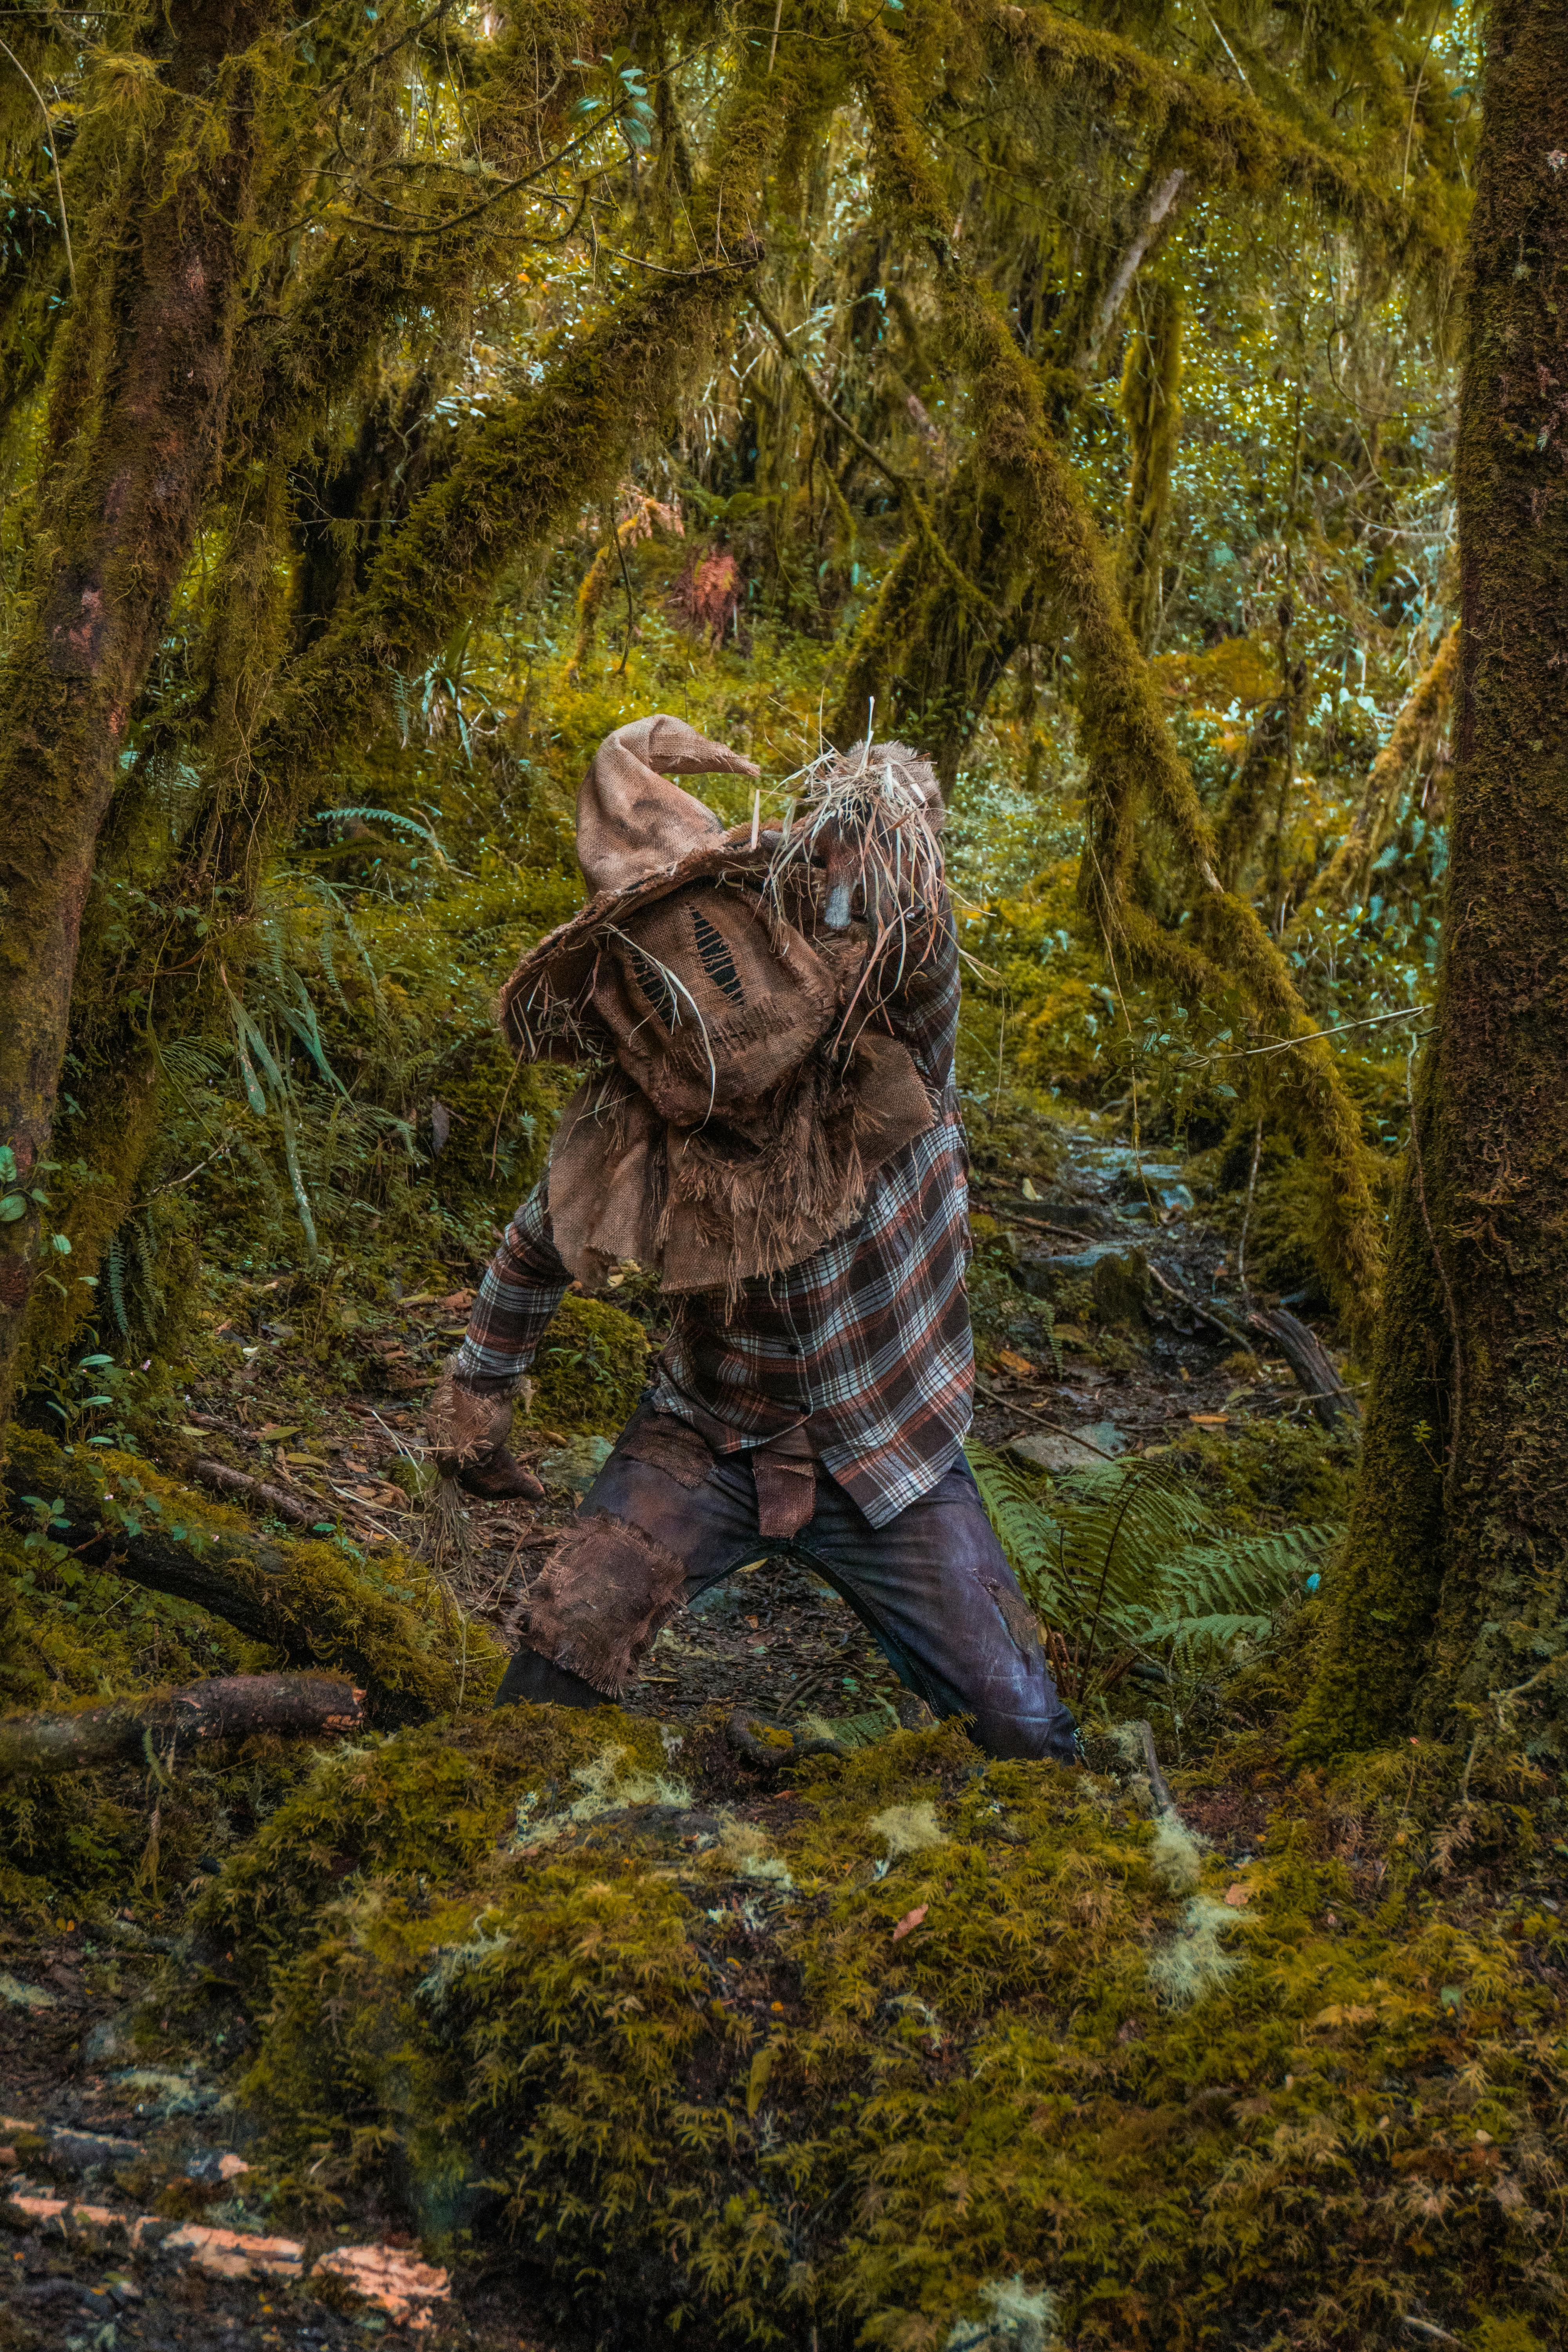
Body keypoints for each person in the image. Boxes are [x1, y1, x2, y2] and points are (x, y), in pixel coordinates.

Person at [427, 714, 1075, 1763]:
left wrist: (864, 818)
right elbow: (539, 1243)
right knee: (547, 1684)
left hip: (887, 1449)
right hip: (705, 1437)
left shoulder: (888, 1054)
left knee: (1023, 1728)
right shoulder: (643, 1119)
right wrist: (479, 1410)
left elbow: (923, 949)